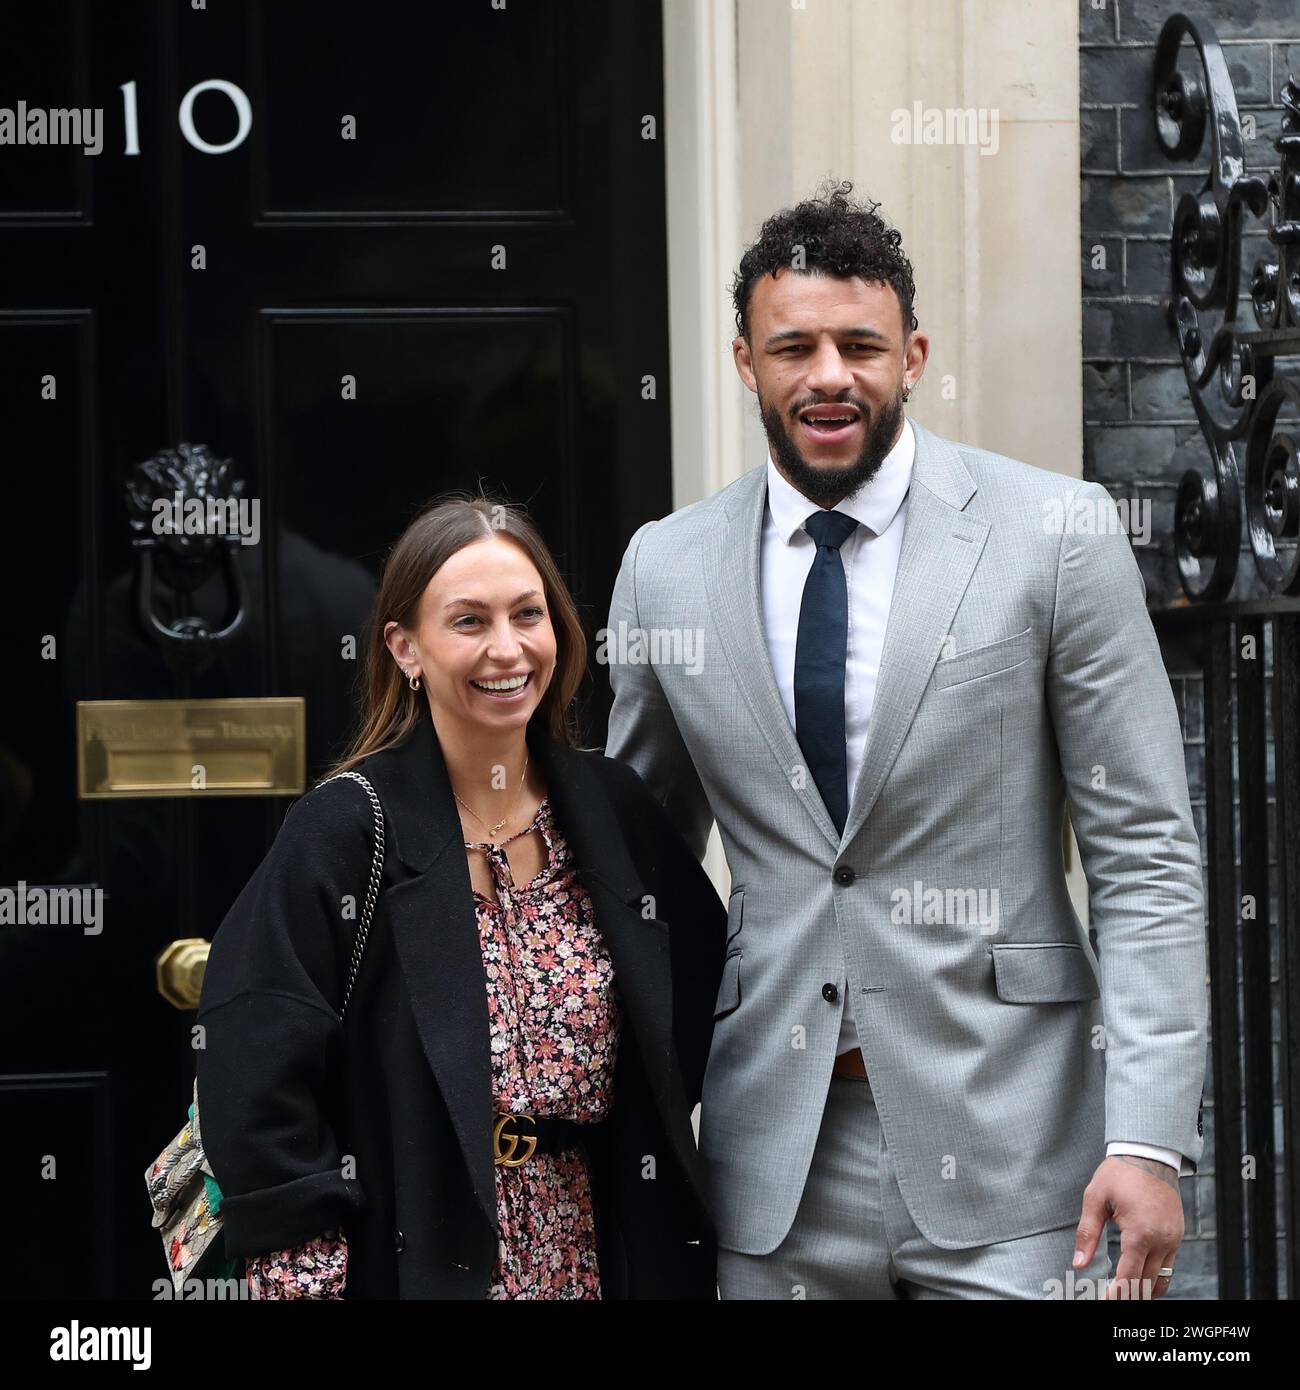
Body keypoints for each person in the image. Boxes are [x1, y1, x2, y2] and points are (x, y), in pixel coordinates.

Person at [604, 179, 1208, 1300]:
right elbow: (634, 869)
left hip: (1019, 1157)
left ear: (913, 355)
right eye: (793, 346)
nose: (827, 374)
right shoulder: (665, 567)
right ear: (745, 363)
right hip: (770, 1164)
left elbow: (1145, 855)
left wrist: (1149, 1139)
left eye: (859, 345)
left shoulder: (1054, 536)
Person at [194, 494, 726, 1298]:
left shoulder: (615, 812)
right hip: (410, 1251)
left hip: (590, 1247)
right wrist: (305, 1268)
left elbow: (700, 996)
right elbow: (255, 1063)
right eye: (469, 622)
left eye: (528, 614)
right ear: (406, 648)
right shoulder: (344, 831)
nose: (507, 649)